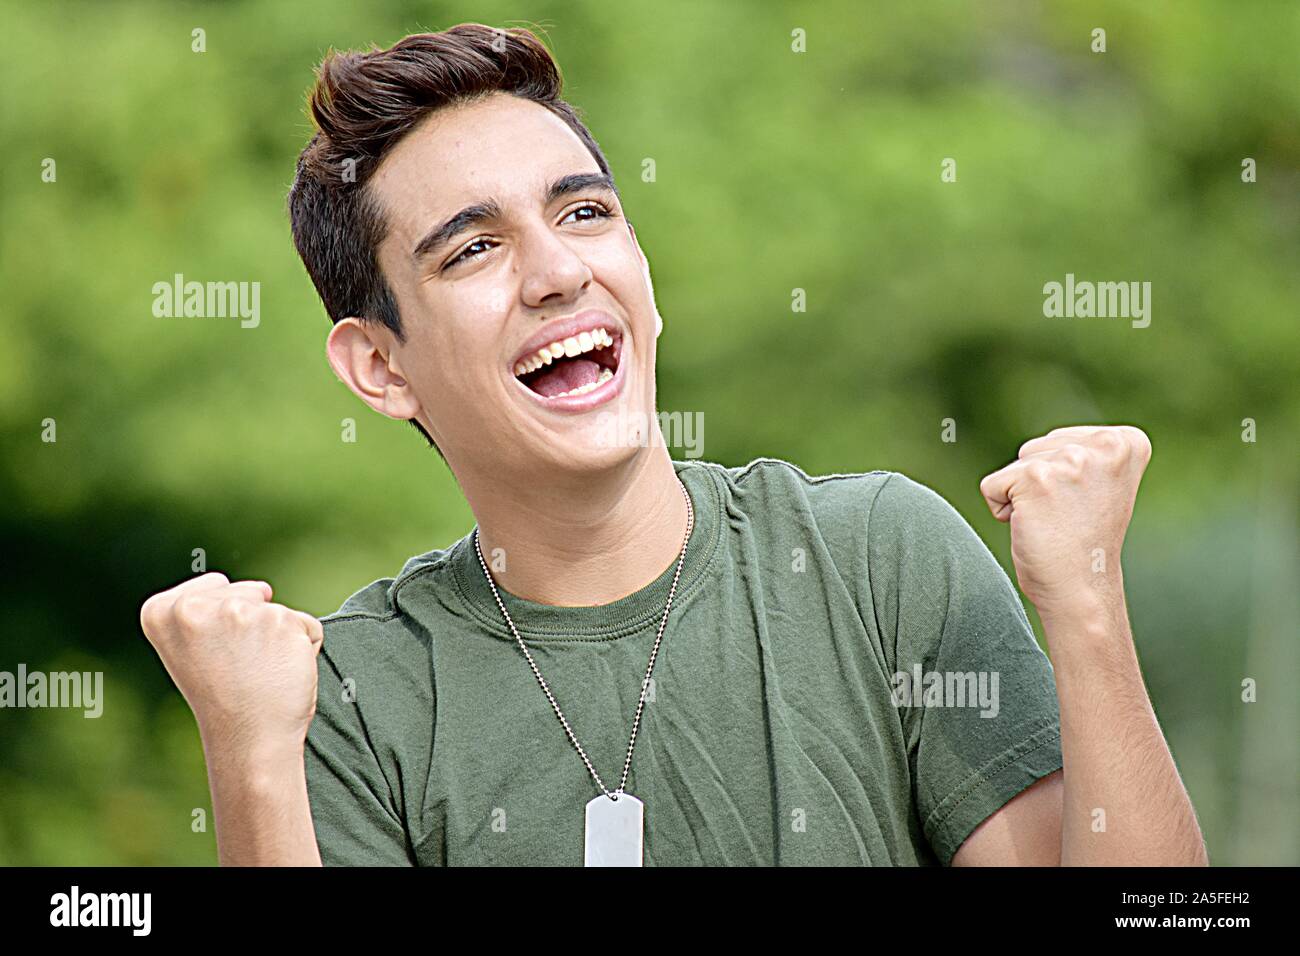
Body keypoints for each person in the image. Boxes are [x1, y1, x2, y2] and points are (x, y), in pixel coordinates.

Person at [139, 24, 1207, 866]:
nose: (557, 271)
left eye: (587, 212)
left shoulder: (881, 560)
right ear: (380, 364)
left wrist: (1085, 603)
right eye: (473, 247)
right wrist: (250, 759)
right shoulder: (354, 698)